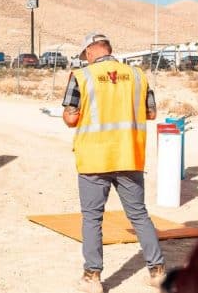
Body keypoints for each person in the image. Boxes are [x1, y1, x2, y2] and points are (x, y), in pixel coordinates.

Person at [62, 32, 165, 293]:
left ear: (89, 51)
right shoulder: (138, 75)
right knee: (139, 214)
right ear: (108, 49)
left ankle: (92, 277)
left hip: (94, 159)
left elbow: (71, 118)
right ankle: (158, 272)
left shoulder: (81, 76)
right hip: (129, 155)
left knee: (92, 218)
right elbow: (151, 113)